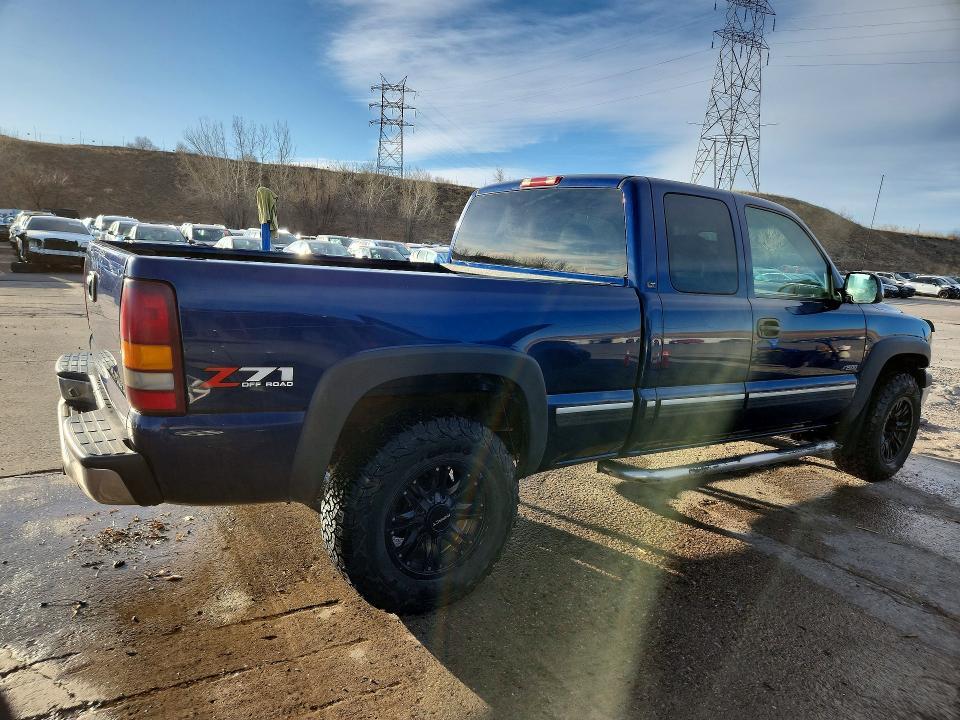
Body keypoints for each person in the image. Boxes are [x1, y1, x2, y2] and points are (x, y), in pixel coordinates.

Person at [256, 175, 278, 251]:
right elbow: (264, 205)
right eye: (268, 182)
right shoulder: (263, 191)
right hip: (266, 219)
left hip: (265, 218)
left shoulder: (261, 191)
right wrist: (267, 216)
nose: (269, 184)